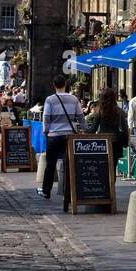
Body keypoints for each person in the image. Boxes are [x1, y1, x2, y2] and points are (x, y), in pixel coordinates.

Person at [39, 74, 84, 203]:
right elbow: (80, 117)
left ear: (54, 85)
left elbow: (46, 117)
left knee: (50, 164)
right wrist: (84, 129)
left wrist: (46, 131)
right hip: (69, 136)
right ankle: (70, 191)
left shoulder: (50, 99)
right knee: (70, 164)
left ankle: (46, 191)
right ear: (65, 85)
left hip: (53, 135)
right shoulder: (74, 99)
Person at [86, 87, 129, 173]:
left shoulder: (100, 111)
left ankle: (104, 185)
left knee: (103, 167)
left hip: (102, 142)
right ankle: (112, 185)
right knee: (113, 168)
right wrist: (125, 142)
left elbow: (93, 129)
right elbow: (124, 128)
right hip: (116, 141)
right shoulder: (119, 111)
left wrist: (84, 133)